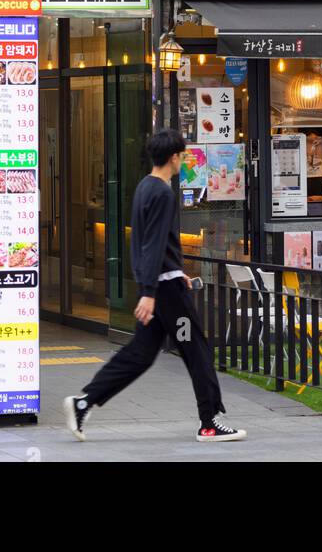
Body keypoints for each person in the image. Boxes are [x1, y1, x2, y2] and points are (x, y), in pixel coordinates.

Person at [63, 127, 247, 444]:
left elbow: (146, 246)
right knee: (197, 350)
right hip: (166, 293)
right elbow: (155, 245)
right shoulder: (162, 193)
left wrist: (168, 277)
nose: (184, 161)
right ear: (174, 157)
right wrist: (151, 291)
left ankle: (84, 402)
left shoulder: (144, 188)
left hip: (162, 285)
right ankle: (209, 422)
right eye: (183, 156)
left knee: (141, 353)